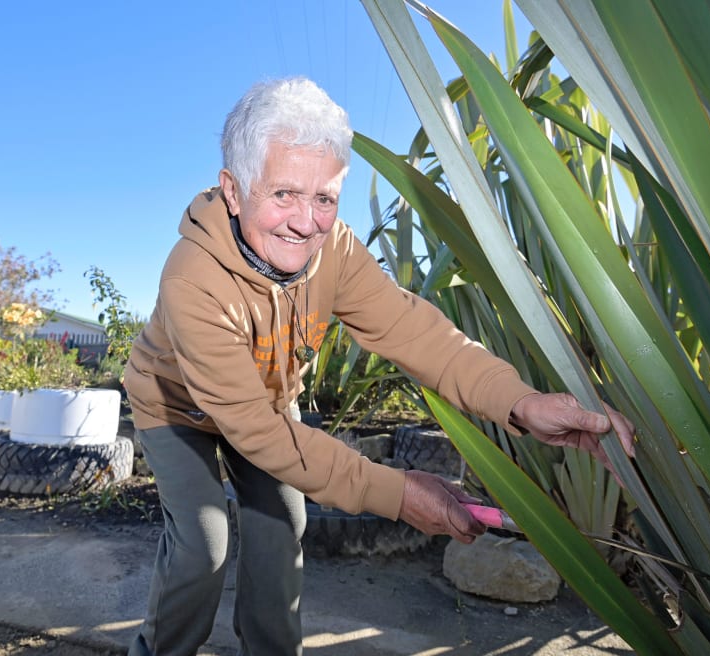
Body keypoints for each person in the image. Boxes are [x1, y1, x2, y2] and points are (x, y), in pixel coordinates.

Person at [123, 77, 635, 656]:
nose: (305, 221)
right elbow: (257, 433)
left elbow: (413, 330)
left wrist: (520, 401)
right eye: (283, 194)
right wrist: (400, 491)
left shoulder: (334, 250)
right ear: (234, 191)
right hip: (175, 406)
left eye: (325, 198)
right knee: (202, 543)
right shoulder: (194, 278)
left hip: (265, 401)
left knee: (281, 528)